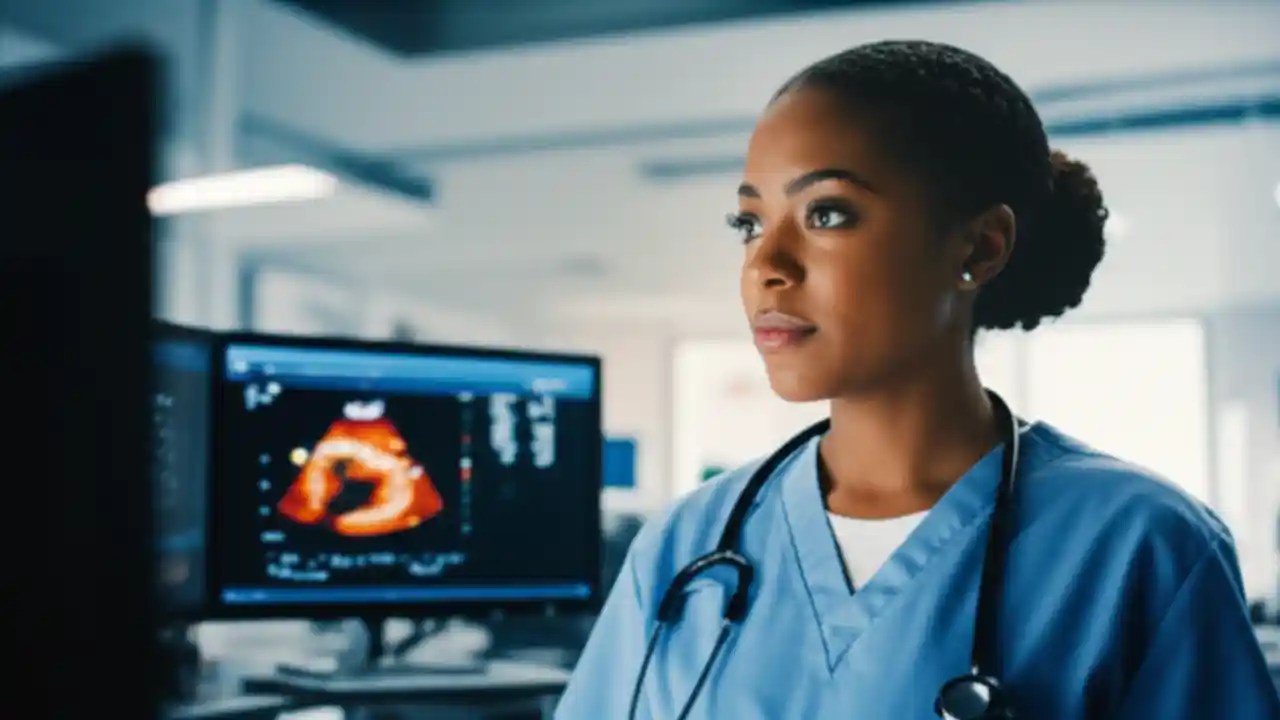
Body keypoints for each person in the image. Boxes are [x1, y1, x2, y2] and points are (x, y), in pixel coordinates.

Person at [554, 40, 1280, 719]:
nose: (766, 263)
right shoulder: (688, 543)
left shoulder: (1141, 544)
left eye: (827, 213)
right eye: (749, 223)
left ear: (980, 246)